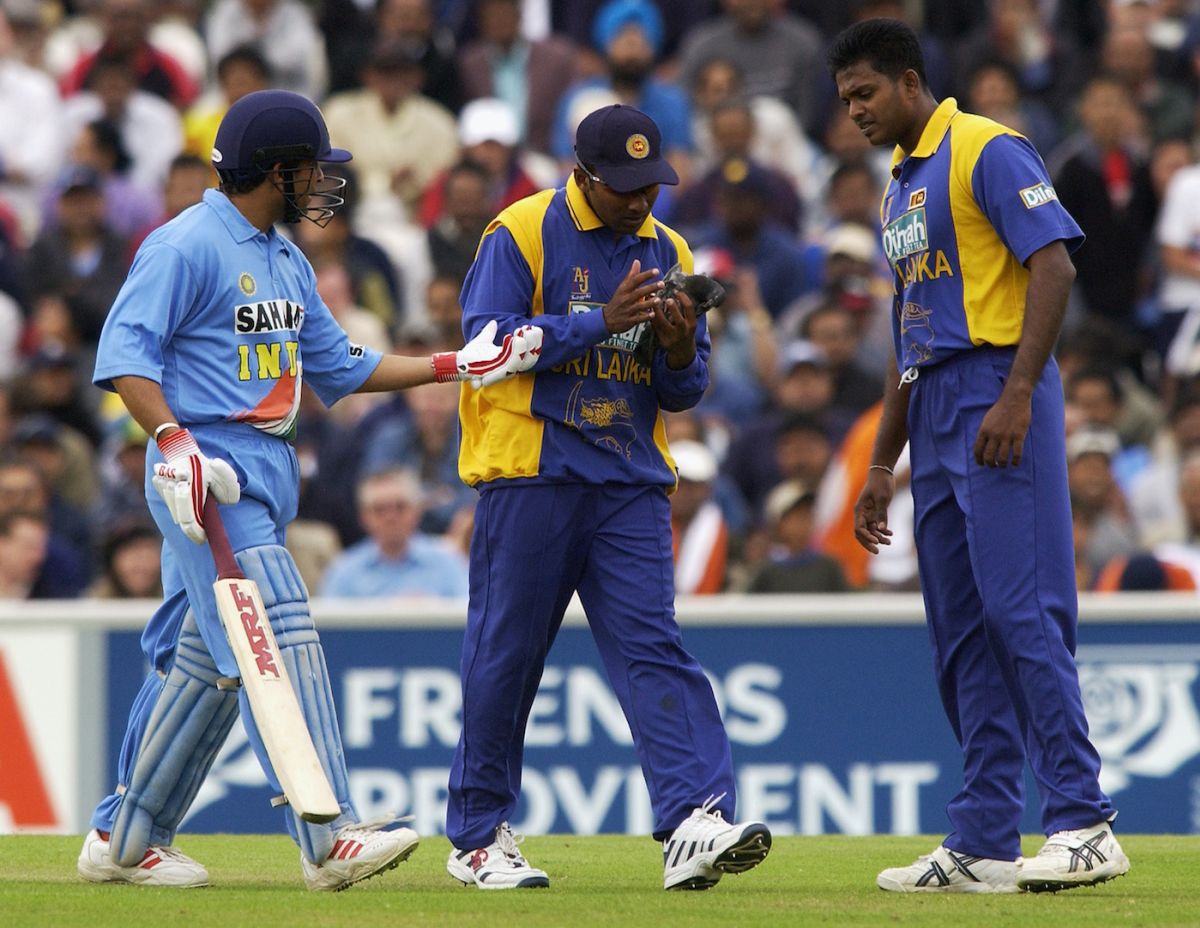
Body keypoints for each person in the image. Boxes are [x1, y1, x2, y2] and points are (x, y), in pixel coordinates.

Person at [77, 89, 542, 891]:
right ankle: (328, 836)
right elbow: (127, 357)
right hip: (206, 474)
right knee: (278, 634)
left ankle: (125, 837)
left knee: (208, 665)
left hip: (259, 472)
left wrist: (455, 365)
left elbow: (342, 367)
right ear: (274, 170)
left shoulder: (284, 255)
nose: (324, 182)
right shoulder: (183, 244)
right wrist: (173, 440)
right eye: (310, 168)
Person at [833, 19, 1129, 894]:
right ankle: (985, 837)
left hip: (1000, 389)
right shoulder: (898, 187)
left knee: (1022, 611)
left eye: (866, 94)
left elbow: (1055, 269)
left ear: (912, 83)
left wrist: (1015, 393)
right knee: (962, 634)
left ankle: (1083, 821)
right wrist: (883, 463)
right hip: (936, 402)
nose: (854, 112)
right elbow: (905, 330)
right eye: (846, 99)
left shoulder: (986, 150)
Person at [444, 103, 771, 892]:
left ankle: (695, 819)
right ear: (581, 174)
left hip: (629, 480)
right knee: (508, 657)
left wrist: (680, 343)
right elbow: (482, 350)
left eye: (649, 184)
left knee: (654, 647)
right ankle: (478, 838)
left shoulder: (670, 247)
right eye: (622, 186)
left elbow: (683, 392)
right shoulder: (518, 231)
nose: (639, 201)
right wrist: (599, 321)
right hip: (532, 471)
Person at [319, 467, 469, 598]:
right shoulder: (343, 572)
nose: (390, 517)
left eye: (400, 507)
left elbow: (468, 617)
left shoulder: (449, 563)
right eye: (379, 509)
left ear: (417, 511)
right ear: (363, 517)